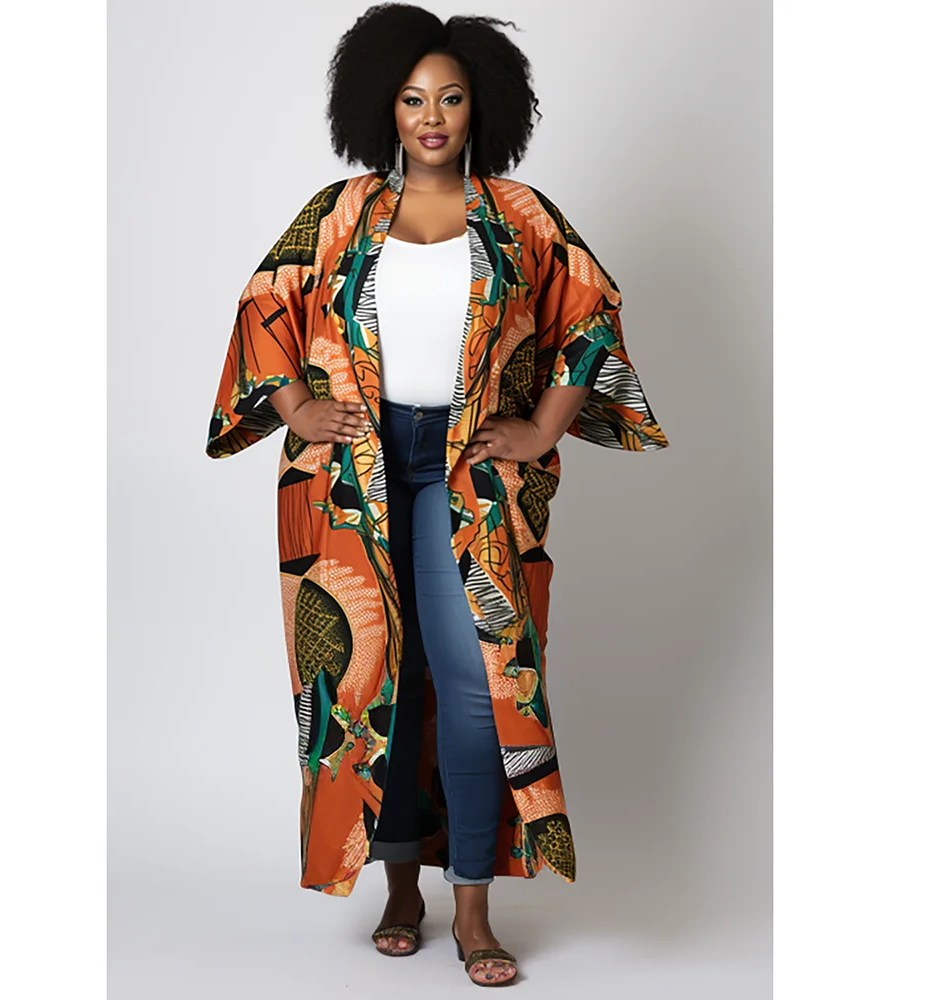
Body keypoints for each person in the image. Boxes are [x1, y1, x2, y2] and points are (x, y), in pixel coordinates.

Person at [205, 4, 669, 987]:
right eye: (413, 98)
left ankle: (472, 905)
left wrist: (541, 429)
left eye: (450, 99)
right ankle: (399, 887)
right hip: (354, 471)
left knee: (474, 679)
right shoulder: (341, 212)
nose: (431, 117)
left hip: (471, 471)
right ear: (382, 105)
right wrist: (299, 408)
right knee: (380, 673)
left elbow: (590, 314)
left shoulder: (520, 215)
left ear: (479, 108)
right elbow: (263, 306)